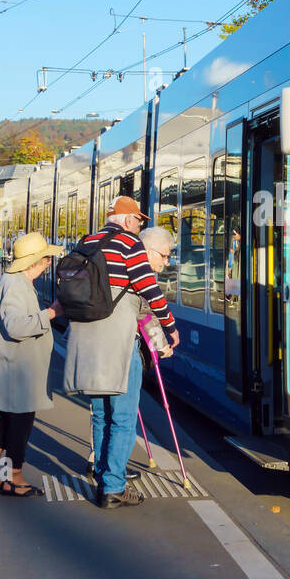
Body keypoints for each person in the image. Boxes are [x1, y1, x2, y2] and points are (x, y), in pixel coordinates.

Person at [64, 197, 180, 508]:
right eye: (139, 221)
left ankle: (103, 477)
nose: (140, 226)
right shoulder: (129, 244)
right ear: (128, 220)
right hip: (117, 340)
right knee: (124, 416)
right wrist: (169, 328)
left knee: (101, 413)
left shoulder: (87, 241)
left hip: (86, 337)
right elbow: (150, 292)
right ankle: (113, 487)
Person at [0, 232, 64, 497]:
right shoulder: (15, 283)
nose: (49, 262)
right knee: (21, 422)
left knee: (8, 418)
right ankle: (13, 477)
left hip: (12, 365)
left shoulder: (15, 280)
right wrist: (51, 313)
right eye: (46, 258)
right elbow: (14, 326)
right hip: (16, 368)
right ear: (34, 262)